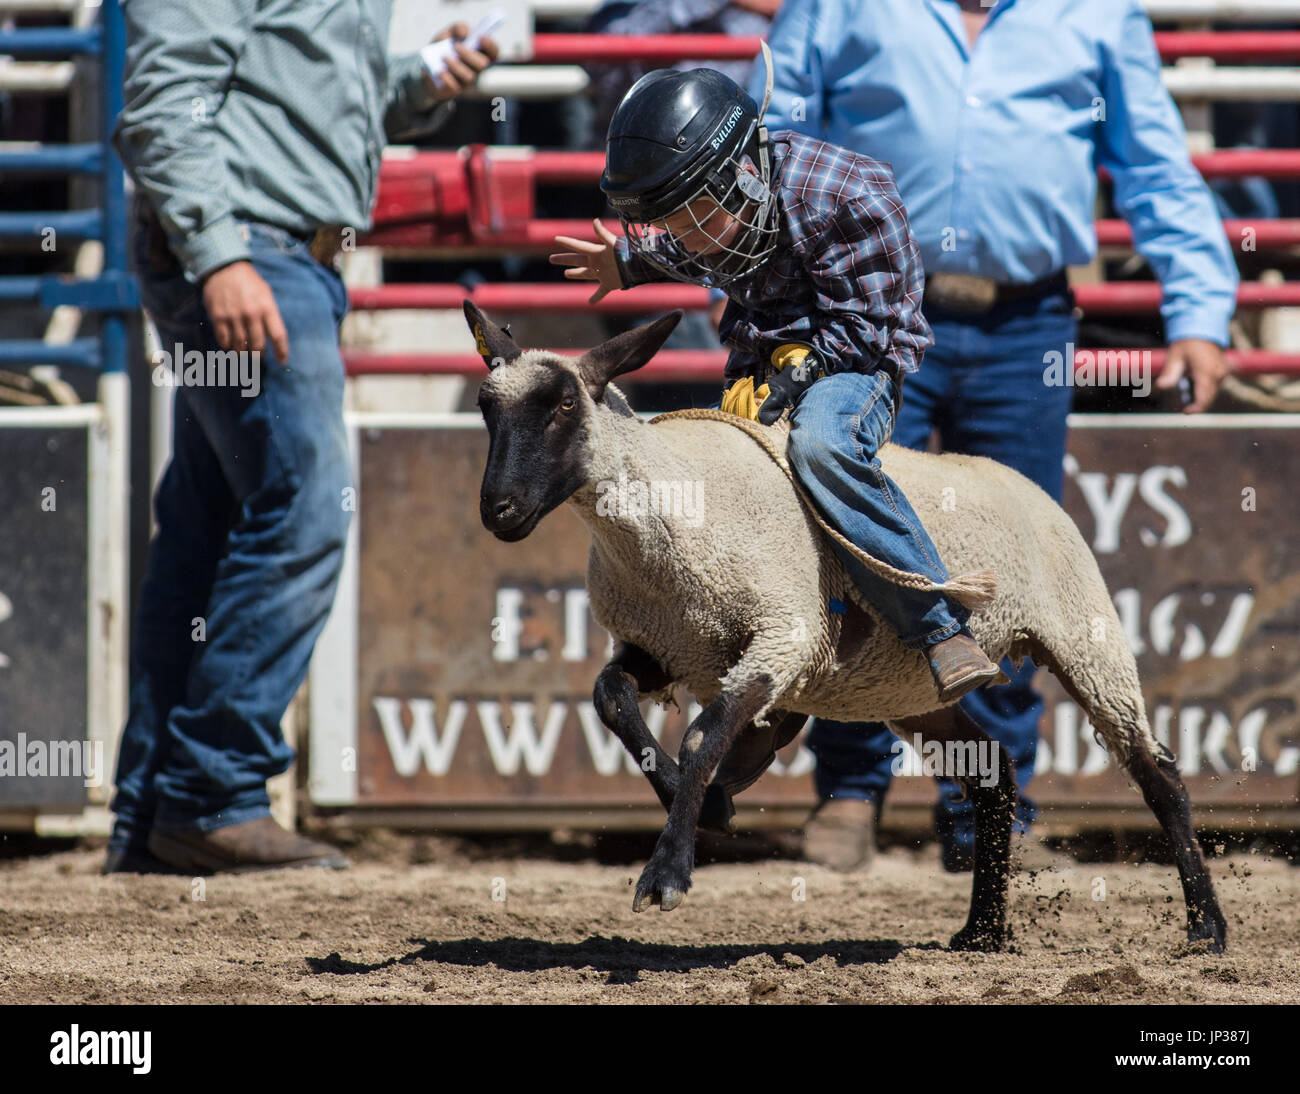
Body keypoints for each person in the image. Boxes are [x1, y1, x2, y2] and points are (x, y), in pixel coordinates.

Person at [754, 0, 1239, 871]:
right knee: (842, 545)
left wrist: (1198, 311)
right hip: (864, 315)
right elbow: (773, 131)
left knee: (1012, 577)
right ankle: (851, 794)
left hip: (1027, 326)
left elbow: (1156, 166)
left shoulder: (1100, 14)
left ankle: (989, 819)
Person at [104, 2, 496, 874]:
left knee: (207, 530)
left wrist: (419, 81)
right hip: (252, 252)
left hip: (270, 249)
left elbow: (307, 96)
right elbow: (164, 99)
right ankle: (213, 791)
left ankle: (154, 811)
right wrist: (220, 254)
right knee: (304, 510)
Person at [551, 63, 1004, 714]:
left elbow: (872, 324)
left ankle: (937, 625)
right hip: (766, 349)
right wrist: (626, 263)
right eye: (673, 224)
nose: (690, 239)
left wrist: (798, 377)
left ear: (747, 176)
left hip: (859, 361)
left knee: (820, 449)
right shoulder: (715, 213)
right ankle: (764, 626)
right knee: (727, 478)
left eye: (697, 217)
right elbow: (691, 247)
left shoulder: (852, 196)